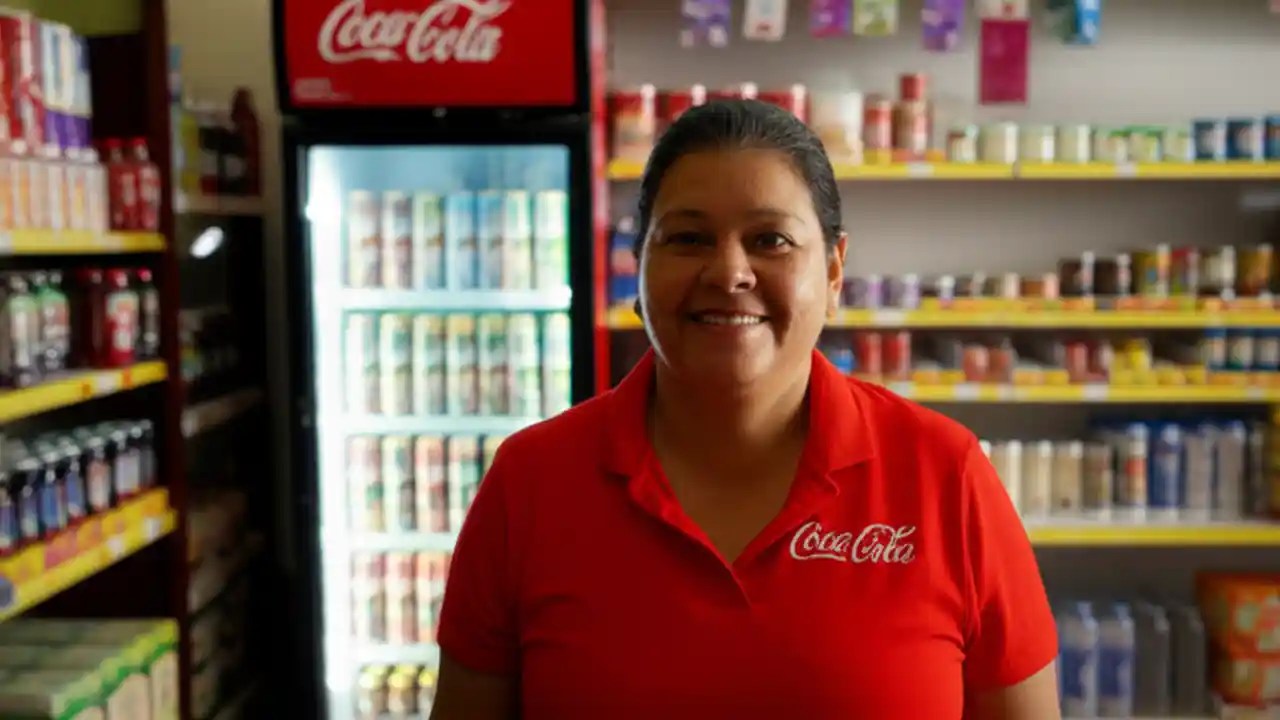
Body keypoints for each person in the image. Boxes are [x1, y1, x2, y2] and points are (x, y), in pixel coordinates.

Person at [431, 99, 1060, 719]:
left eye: (770, 240)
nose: (729, 271)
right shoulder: (530, 482)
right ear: (638, 266)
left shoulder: (944, 474)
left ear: (835, 272)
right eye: (688, 238)